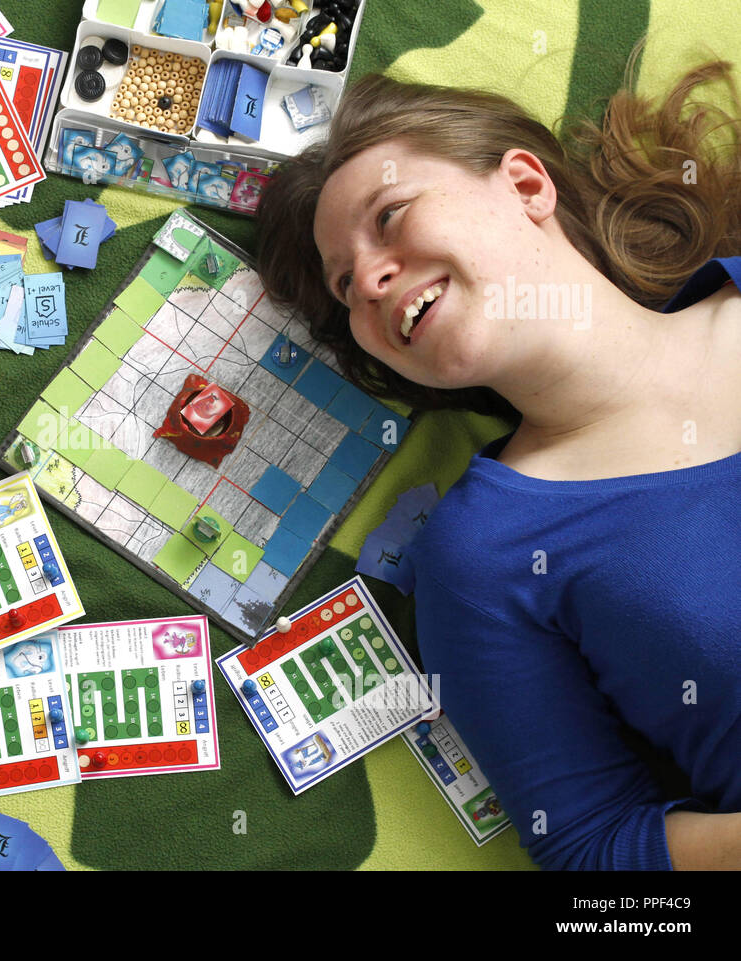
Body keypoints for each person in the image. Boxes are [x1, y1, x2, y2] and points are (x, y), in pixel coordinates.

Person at [256, 60, 741, 870]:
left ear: (525, 184)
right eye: (346, 289)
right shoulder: (482, 558)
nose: (370, 281)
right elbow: (593, 859)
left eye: (391, 214)